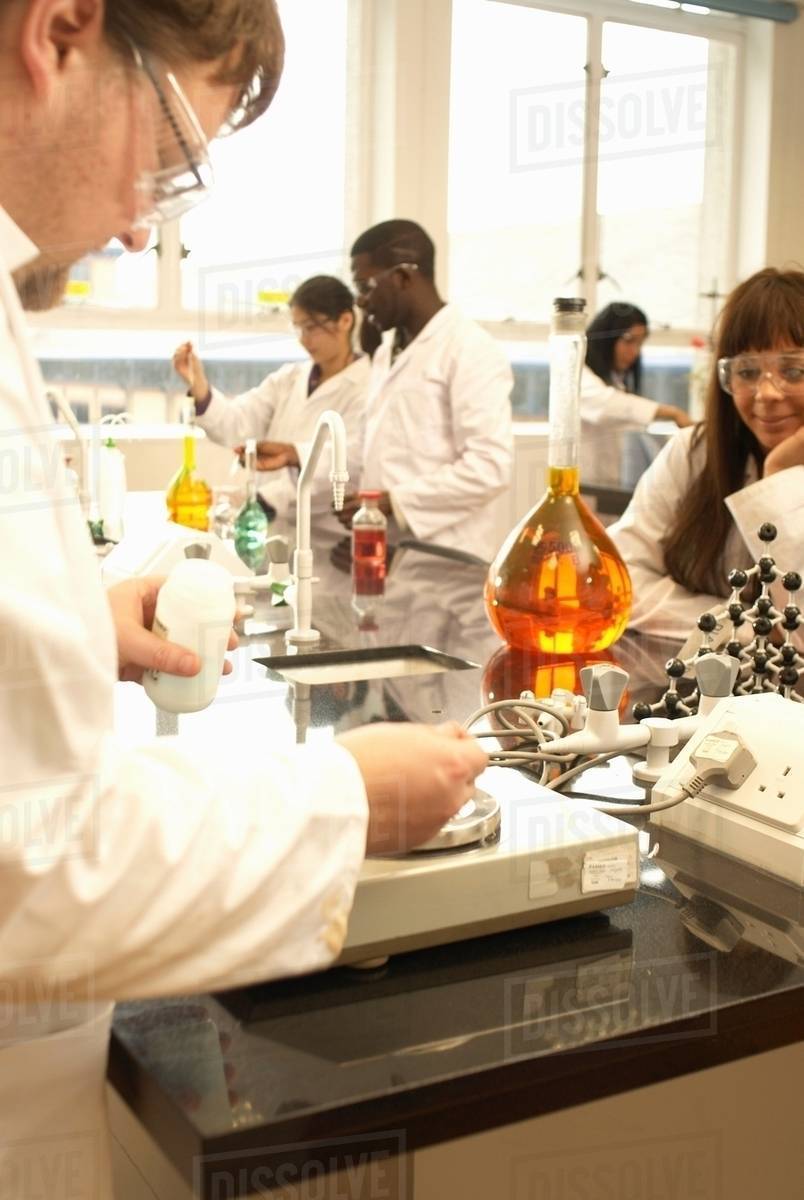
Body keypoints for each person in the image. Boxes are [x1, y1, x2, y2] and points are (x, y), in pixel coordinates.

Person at [0, 1, 486, 1191]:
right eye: (167, 159)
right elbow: (29, 870)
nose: (135, 228)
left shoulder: (440, 350)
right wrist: (340, 798)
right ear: (57, 32)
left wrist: (70, 634)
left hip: (425, 580)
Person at [609, 268, 804, 643]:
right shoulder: (694, 452)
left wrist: (778, 475)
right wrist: (746, 628)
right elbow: (619, 582)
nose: (766, 393)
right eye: (747, 371)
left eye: (792, 370)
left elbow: (798, 635)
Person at [342, 219, 514, 563]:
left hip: (446, 556)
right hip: (387, 551)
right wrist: (295, 455)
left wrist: (393, 502)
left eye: (365, 286)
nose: (361, 301)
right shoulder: (388, 350)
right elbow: (369, 447)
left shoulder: (469, 349)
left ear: (403, 277)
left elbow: (490, 466)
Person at [173, 274, 369, 523]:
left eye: (311, 327)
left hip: (325, 537)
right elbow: (236, 423)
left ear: (345, 320)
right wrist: (198, 385)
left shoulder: (368, 385)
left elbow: (348, 461)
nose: (303, 339)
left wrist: (267, 494)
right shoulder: (289, 378)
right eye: (298, 328)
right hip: (274, 528)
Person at [581, 302, 692, 488]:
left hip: (612, 487)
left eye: (640, 343)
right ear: (606, 339)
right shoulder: (580, 377)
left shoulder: (618, 383)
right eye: (628, 340)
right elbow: (607, 406)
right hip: (586, 487)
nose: (635, 352)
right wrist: (672, 413)